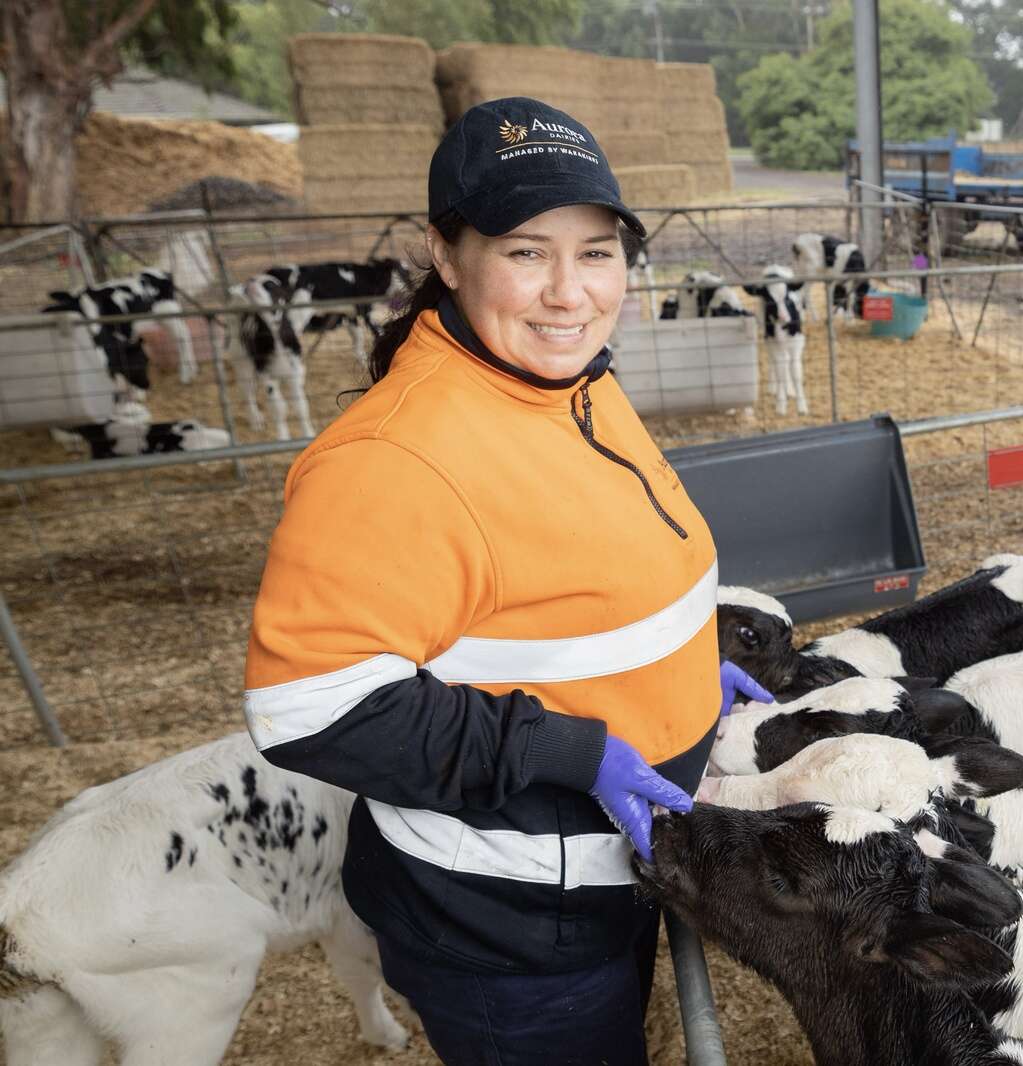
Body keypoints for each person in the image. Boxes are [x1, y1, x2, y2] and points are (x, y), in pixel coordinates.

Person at [241, 97, 771, 1065]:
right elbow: (307, 707)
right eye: (527, 251)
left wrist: (691, 672)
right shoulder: (395, 460)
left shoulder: (576, 382)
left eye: (597, 250)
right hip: (510, 922)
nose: (569, 291)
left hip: (609, 866)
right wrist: (568, 751)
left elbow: (579, 582)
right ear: (447, 255)